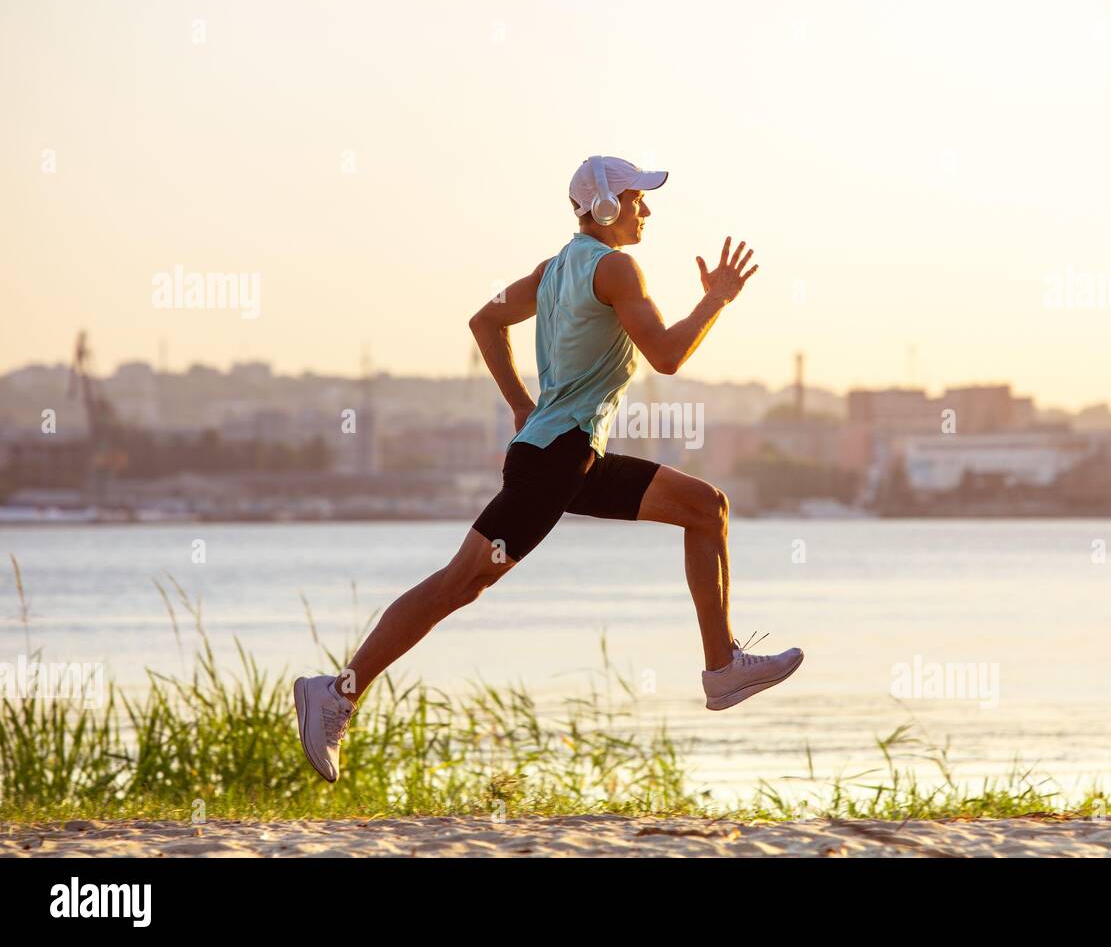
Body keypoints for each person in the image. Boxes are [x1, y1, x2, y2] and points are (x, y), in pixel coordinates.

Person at [295, 156, 803, 783]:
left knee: (706, 507)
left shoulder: (552, 270)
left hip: (564, 454)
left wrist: (518, 403)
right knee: (460, 583)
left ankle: (722, 667)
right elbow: (667, 355)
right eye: (637, 198)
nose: (647, 209)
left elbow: (485, 322)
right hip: (554, 462)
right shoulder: (616, 268)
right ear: (609, 206)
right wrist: (716, 300)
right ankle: (337, 692)